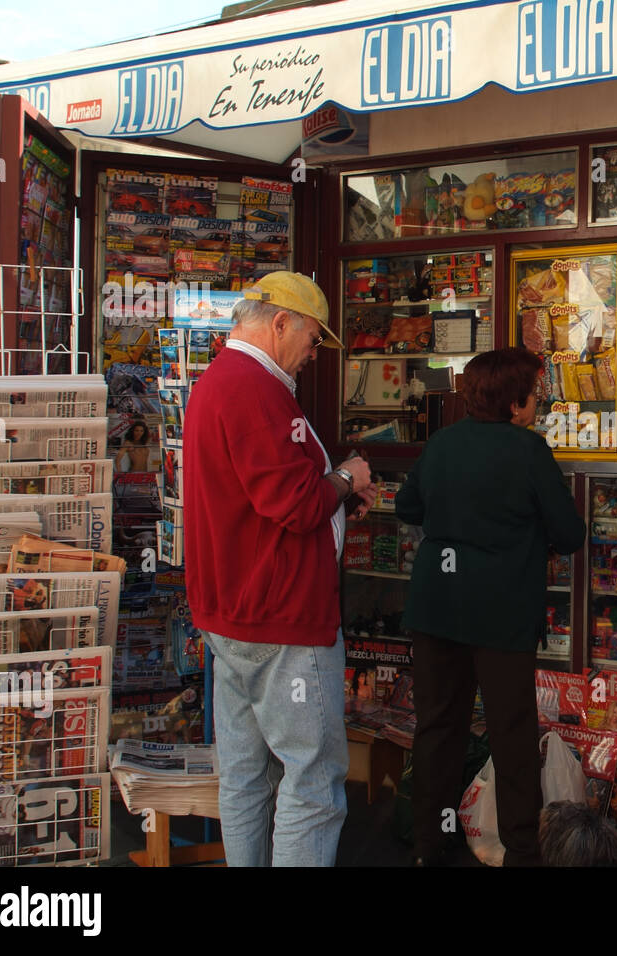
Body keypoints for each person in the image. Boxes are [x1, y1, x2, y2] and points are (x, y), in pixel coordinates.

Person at [183, 271, 376, 867]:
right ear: (281, 323)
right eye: (314, 341)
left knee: (245, 777)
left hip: (235, 613)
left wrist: (336, 490)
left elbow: (269, 492)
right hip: (281, 618)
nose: (314, 356)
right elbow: (292, 505)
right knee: (312, 782)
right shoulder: (253, 387)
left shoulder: (222, 381)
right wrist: (348, 479)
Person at [397, 346, 586, 867]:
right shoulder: (529, 452)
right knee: (512, 733)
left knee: (437, 728)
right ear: (515, 401)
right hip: (501, 614)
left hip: (436, 607)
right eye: (533, 393)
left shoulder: (440, 444)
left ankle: (429, 846)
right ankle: (522, 851)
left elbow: (408, 505)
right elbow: (570, 534)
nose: (537, 402)